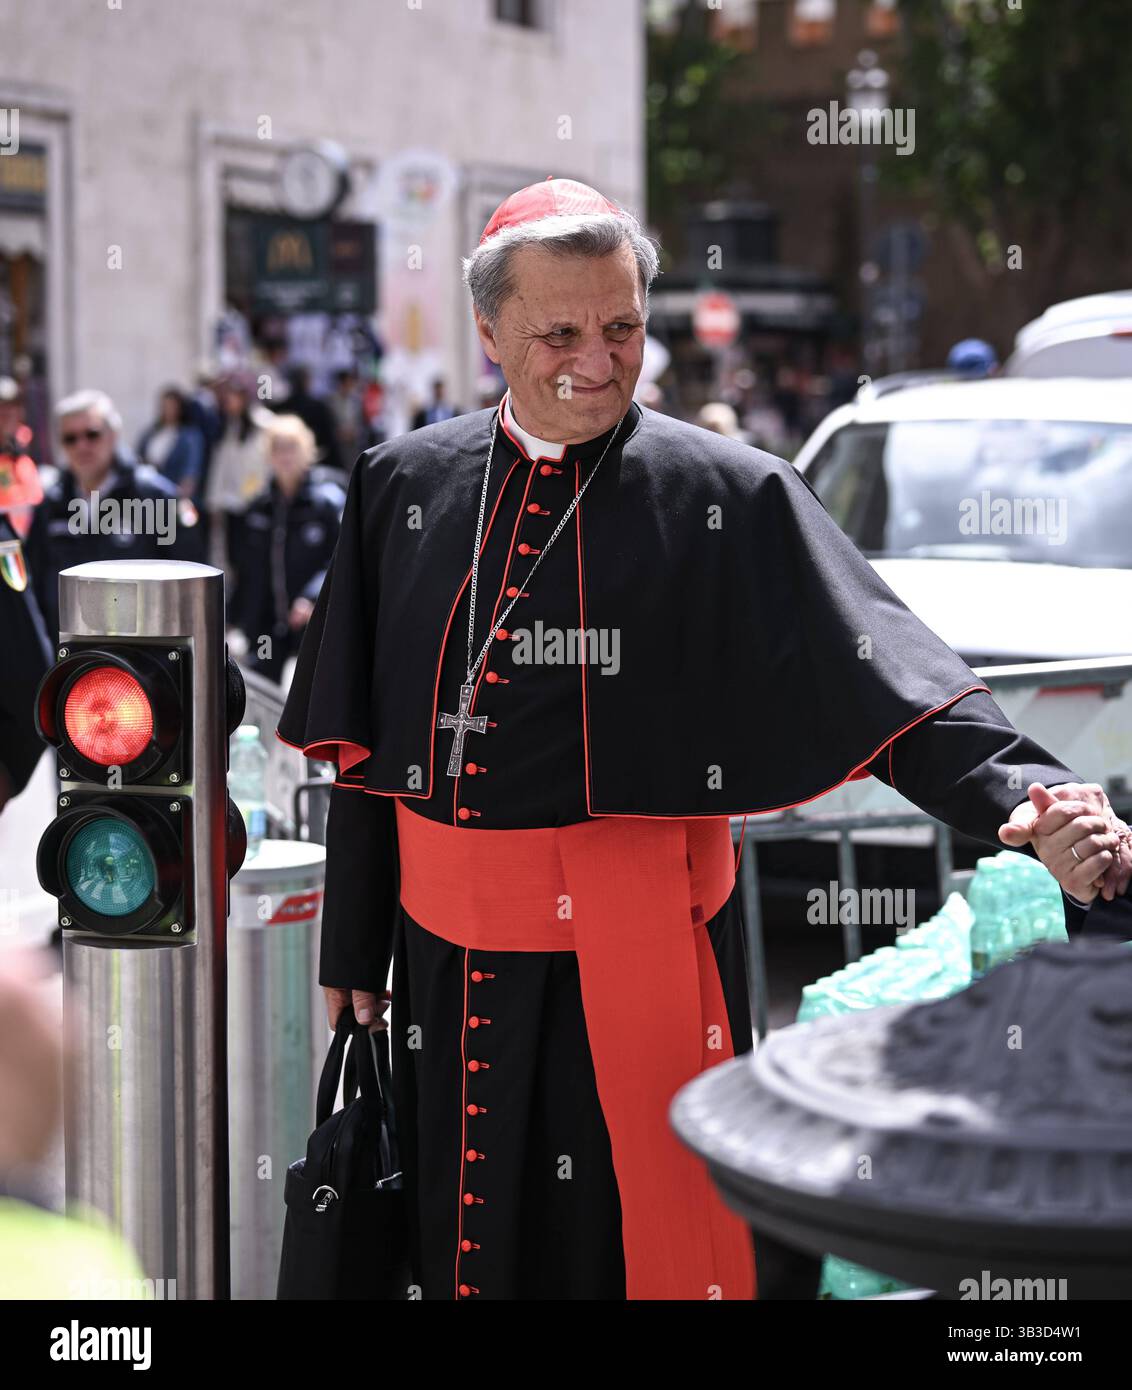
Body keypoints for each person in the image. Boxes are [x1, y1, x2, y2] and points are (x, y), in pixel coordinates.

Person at [275, 176, 1130, 1303]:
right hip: (447, 964)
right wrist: (352, 948)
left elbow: (892, 678)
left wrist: (1028, 801)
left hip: (639, 956)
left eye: (623, 327)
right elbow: (369, 747)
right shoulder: (402, 484)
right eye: (561, 332)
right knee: (462, 1244)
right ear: (488, 333)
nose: (597, 358)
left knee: (623, 1249)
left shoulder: (727, 493)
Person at [24, 389, 202, 640]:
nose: (82, 445)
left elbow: (191, 586)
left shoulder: (154, 496)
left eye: (92, 434)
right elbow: (34, 587)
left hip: (141, 656)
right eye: (70, 438)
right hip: (71, 656)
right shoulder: (51, 503)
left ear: (113, 435)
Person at [229, 414, 342, 684]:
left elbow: (339, 558)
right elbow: (246, 568)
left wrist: (311, 597)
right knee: (261, 697)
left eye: (291, 447)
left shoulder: (326, 503)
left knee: (313, 693)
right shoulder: (260, 506)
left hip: (313, 623)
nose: (285, 456)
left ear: (306, 451)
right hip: (267, 623)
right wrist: (232, 617)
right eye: (277, 448)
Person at [202, 373, 271, 594]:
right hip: (232, 504)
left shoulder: (264, 424)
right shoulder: (228, 427)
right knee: (234, 559)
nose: (228, 402)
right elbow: (221, 464)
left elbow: (266, 465)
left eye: (232, 396)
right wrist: (215, 500)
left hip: (258, 502)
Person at [269, 364, 342, 477]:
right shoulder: (319, 407)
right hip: (317, 466)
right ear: (307, 382)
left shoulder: (279, 408)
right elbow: (331, 441)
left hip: (313, 465)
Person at [136, 386, 205, 498]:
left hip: (171, 493)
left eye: (172, 406)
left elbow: (191, 470)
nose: (168, 410)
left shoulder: (189, 436)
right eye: (165, 406)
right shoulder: (151, 432)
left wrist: (182, 497)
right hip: (147, 494)